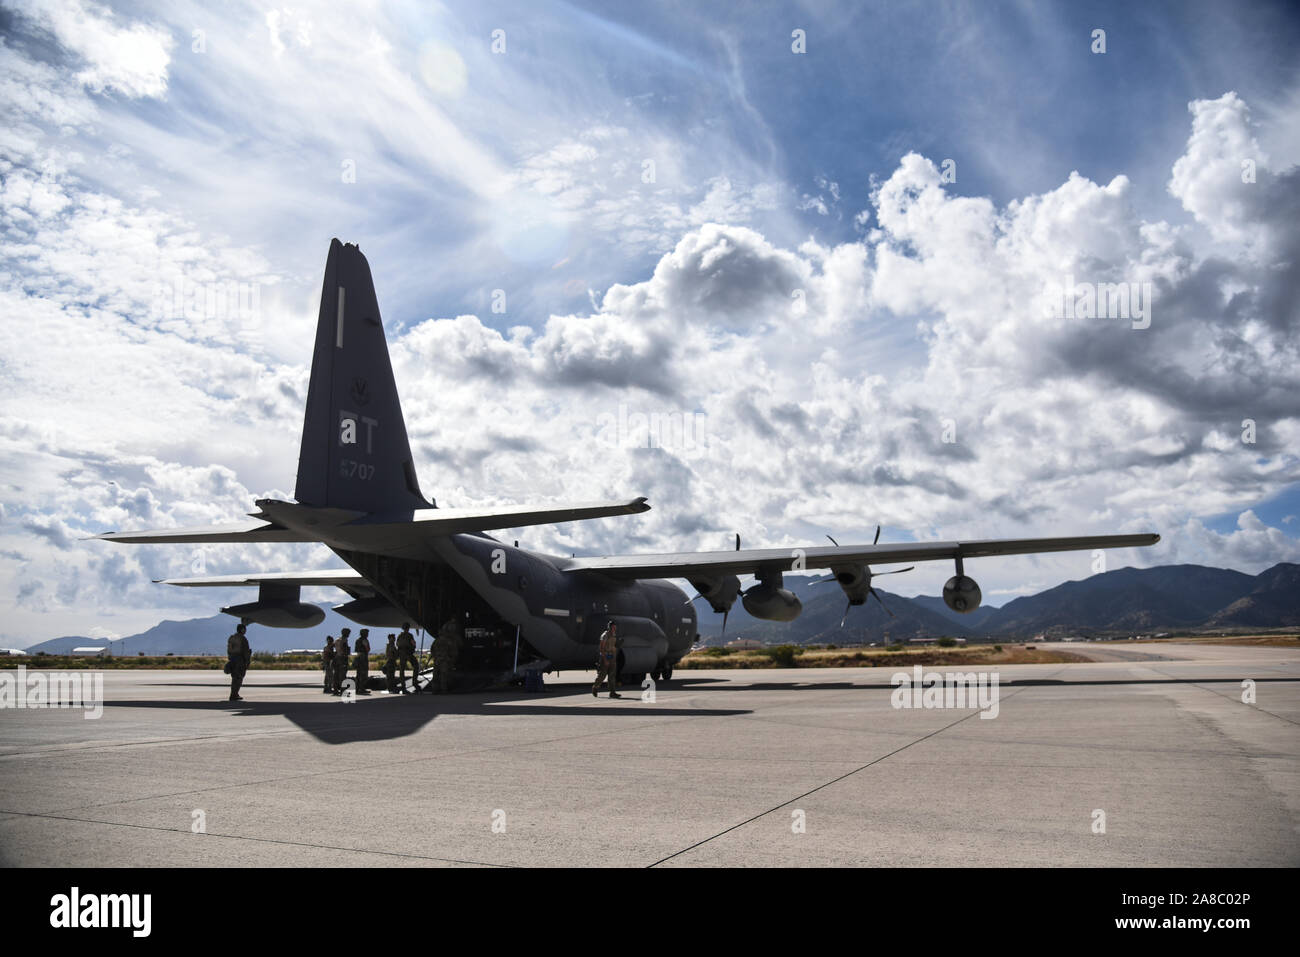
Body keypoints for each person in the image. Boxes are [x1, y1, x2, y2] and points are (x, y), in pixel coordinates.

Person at [432, 618, 463, 693]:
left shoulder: (436, 640)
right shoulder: (448, 641)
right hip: (445, 660)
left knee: (435, 675)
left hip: (437, 660)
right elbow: (453, 651)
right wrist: (452, 659)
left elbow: (432, 649)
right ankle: (444, 689)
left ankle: (434, 690)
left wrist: (435, 657)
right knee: (444, 675)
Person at [592, 620, 621, 698]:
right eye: (613, 627)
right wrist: (605, 659)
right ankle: (595, 687)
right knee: (602, 675)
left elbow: (613, 645)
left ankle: (612, 692)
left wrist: (618, 645)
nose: (614, 628)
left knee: (612, 676)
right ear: (609, 627)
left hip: (612, 657)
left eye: (615, 627)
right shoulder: (605, 635)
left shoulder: (614, 635)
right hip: (606, 656)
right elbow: (601, 648)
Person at [226, 622, 252, 701]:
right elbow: (245, 651)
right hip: (240, 660)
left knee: (234, 678)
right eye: (245, 629)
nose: (245, 631)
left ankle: (234, 694)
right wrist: (247, 661)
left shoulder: (232, 637)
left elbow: (229, 649)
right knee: (239, 678)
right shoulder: (243, 639)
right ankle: (234, 695)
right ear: (242, 629)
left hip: (232, 659)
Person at [396, 622, 420, 693]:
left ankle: (403, 686)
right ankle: (415, 682)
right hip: (408, 653)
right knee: (416, 665)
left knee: (402, 670)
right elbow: (413, 643)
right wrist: (412, 648)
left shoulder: (399, 636)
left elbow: (397, 644)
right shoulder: (410, 635)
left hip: (402, 654)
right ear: (408, 628)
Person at [332, 629, 351, 695]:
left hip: (336, 658)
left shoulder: (337, 640)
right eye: (348, 633)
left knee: (336, 675)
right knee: (342, 675)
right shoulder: (344, 640)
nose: (349, 634)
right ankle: (343, 690)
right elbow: (344, 649)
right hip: (342, 658)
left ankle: (335, 690)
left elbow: (333, 647)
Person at [353, 628, 371, 695]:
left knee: (358, 674)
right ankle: (362, 689)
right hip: (363, 658)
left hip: (358, 657)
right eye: (366, 633)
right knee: (363, 674)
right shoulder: (365, 640)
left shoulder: (357, 640)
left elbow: (356, 650)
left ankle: (357, 689)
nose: (367, 634)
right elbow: (368, 649)